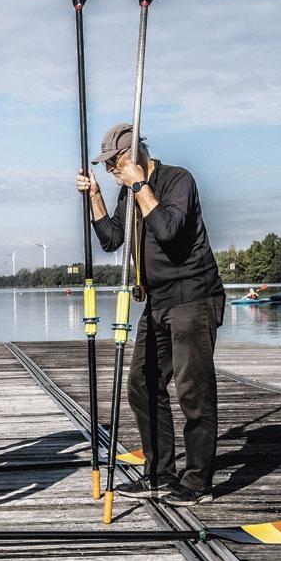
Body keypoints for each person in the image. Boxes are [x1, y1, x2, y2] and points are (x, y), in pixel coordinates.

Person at [76, 122, 225, 508]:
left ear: (134, 154)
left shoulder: (178, 180)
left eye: (114, 163)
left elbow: (169, 231)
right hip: (156, 301)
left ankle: (197, 482)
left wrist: (141, 185)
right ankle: (158, 474)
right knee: (142, 384)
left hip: (193, 297)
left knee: (194, 390)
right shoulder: (128, 193)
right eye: (106, 167)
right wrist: (95, 198)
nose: (111, 171)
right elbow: (111, 239)